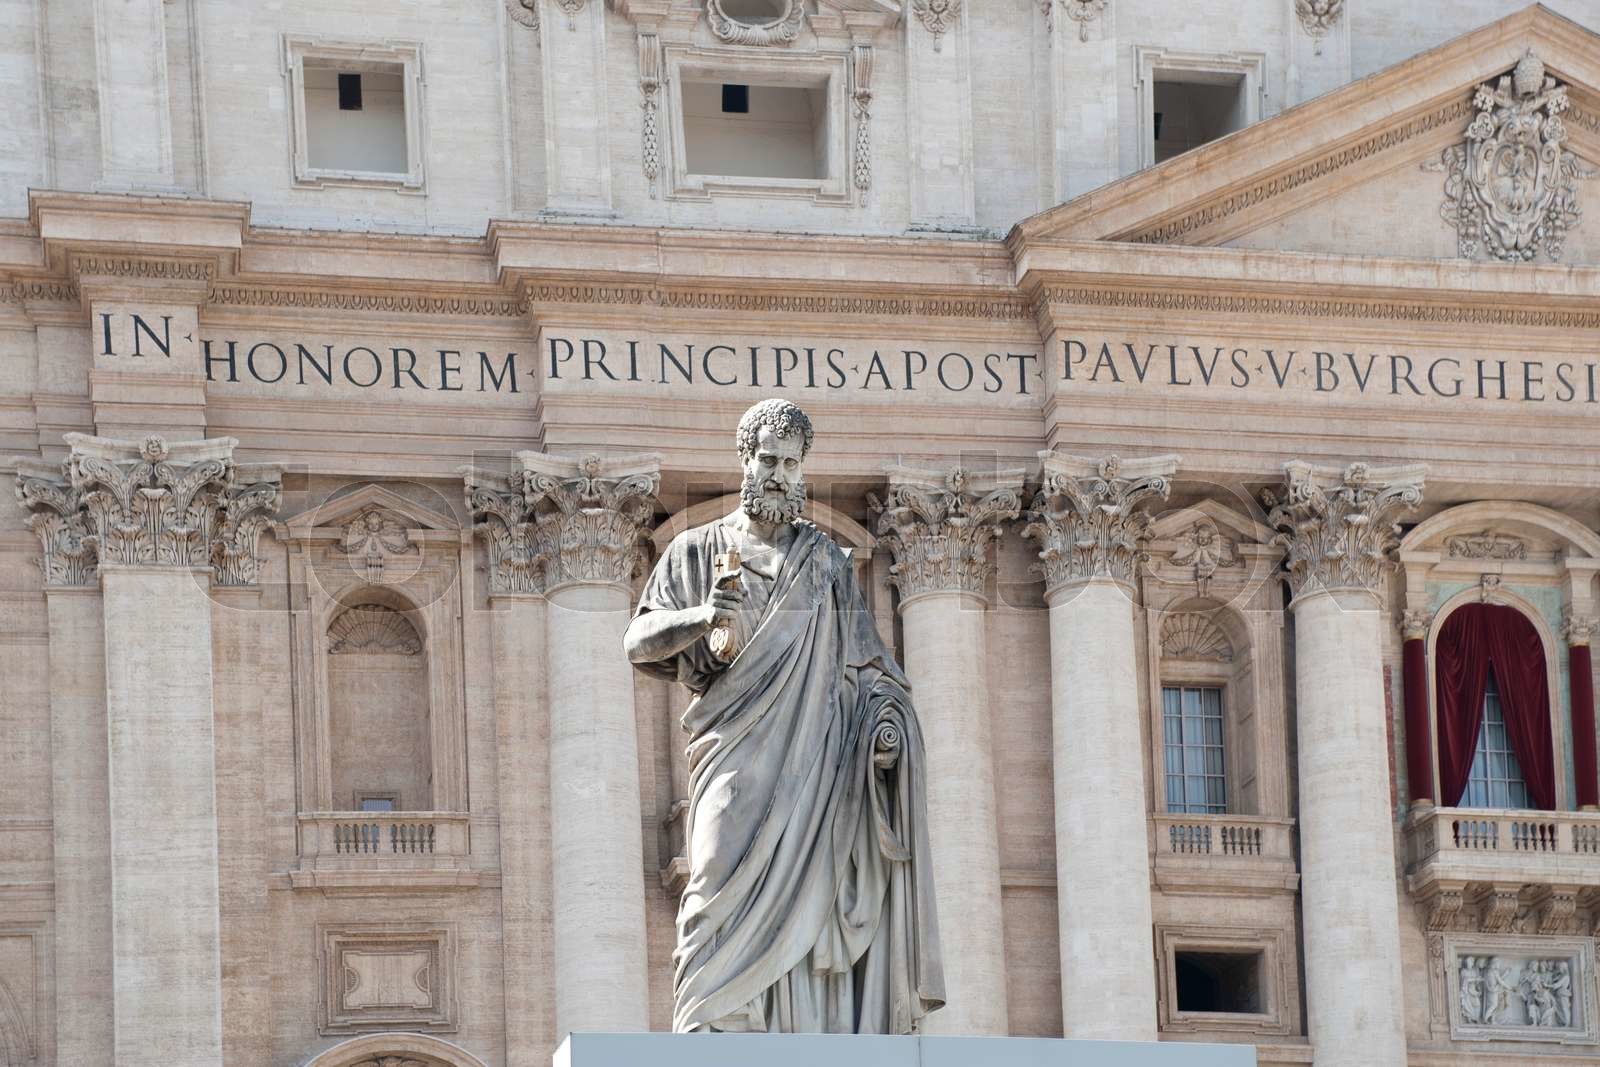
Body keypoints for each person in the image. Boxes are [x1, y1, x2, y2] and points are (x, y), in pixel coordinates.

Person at [624, 399, 945, 1034]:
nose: (776, 474)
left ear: (802, 471)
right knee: (713, 875)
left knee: (811, 892)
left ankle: (795, 1024)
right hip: (733, 755)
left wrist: (886, 729)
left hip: (815, 768)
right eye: (767, 460)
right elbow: (638, 643)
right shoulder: (696, 550)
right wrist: (703, 616)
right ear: (745, 460)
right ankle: (712, 1020)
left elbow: (870, 667)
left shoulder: (827, 565)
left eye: (790, 465)